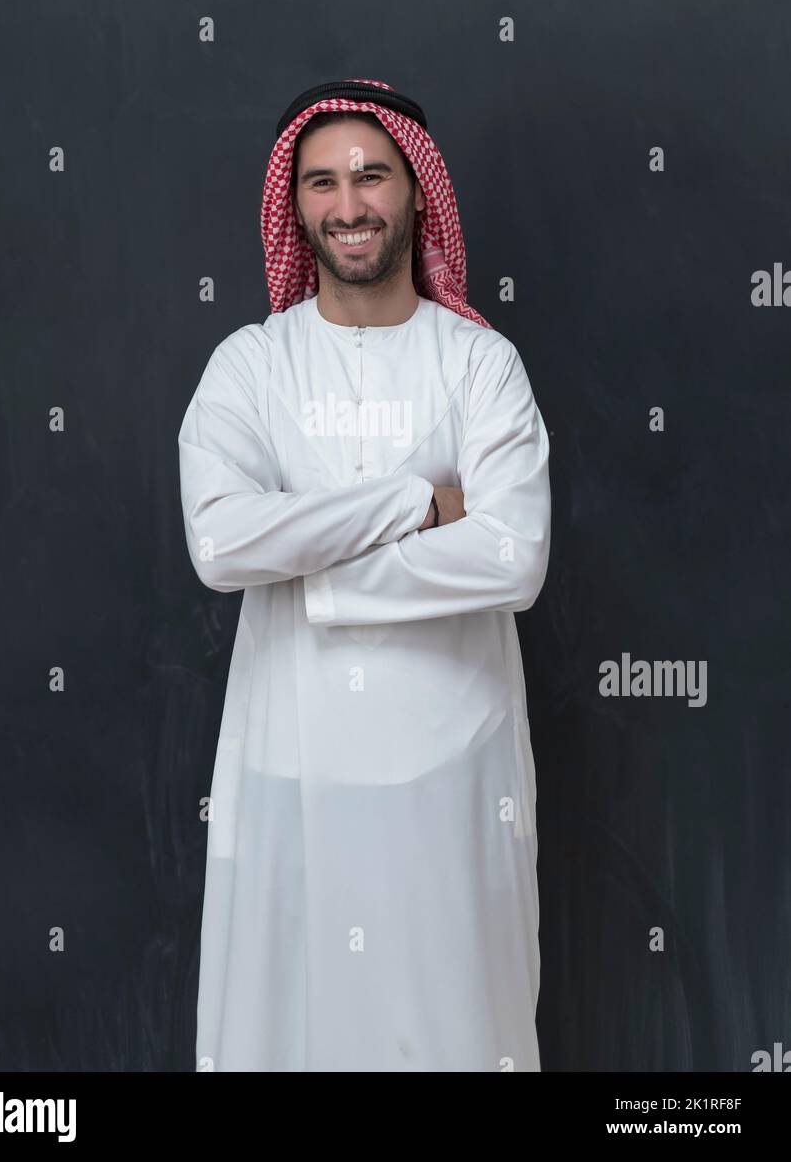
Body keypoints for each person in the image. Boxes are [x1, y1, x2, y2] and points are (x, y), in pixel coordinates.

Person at [179, 77, 552, 1071]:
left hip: (452, 771)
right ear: (293, 205)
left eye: (372, 175)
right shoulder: (249, 369)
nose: (349, 203)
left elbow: (513, 556)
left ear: (416, 193)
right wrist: (415, 503)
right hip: (285, 763)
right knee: (286, 1036)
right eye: (321, 182)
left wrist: (318, 575)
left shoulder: (479, 366)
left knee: (455, 1036)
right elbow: (221, 543)